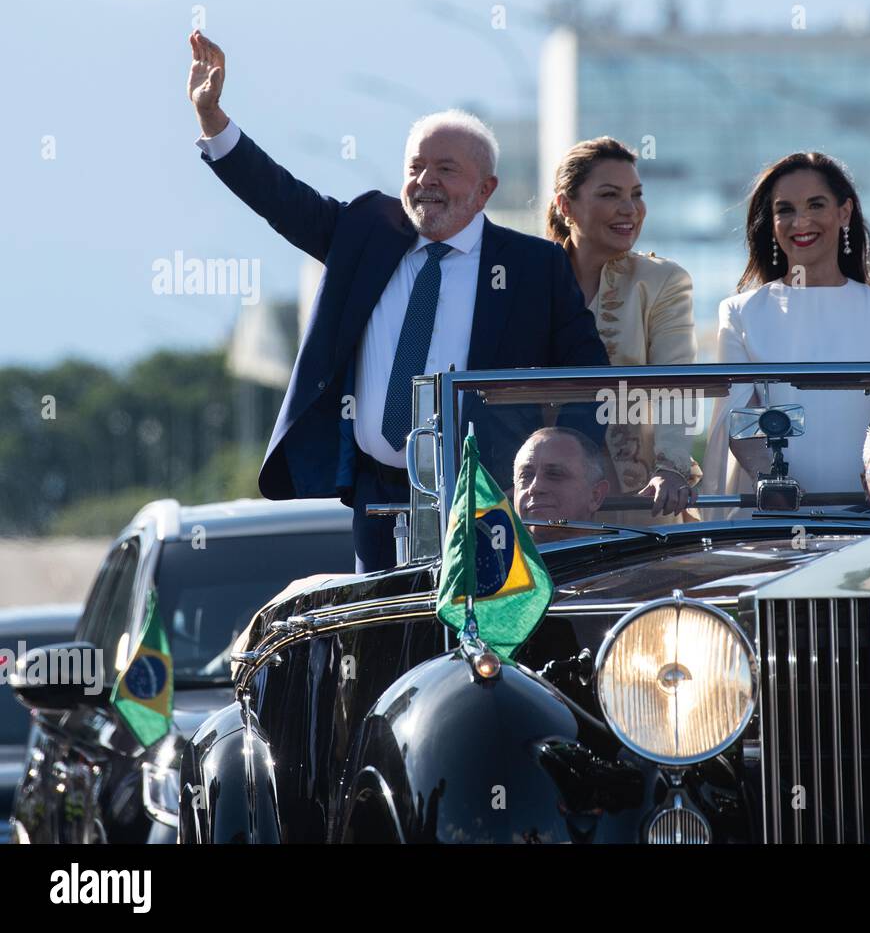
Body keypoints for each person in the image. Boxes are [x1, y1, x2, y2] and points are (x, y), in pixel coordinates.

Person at [186, 32, 608, 573]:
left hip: (489, 499)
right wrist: (213, 118)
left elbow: (586, 374)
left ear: (485, 189)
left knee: (477, 646)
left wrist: (567, 479)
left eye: (446, 170)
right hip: (378, 498)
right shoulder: (368, 232)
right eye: (414, 167)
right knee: (385, 641)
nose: (425, 181)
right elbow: (281, 199)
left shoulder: (532, 267)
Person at [703, 152, 870, 497]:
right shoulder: (740, 312)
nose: (800, 222)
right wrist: (779, 489)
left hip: (866, 513)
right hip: (773, 515)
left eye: (815, 205)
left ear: (844, 212)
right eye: (785, 210)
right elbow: (739, 423)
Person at [547, 137, 699, 517]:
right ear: (566, 206)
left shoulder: (662, 280)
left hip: (640, 497)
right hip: (542, 498)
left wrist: (671, 467)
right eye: (610, 194)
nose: (629, 209)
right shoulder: (531, 277)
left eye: (636, 194)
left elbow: (675, 382)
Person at [512, 428, 610, 544]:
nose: (535, 487)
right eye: (526, 476)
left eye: (554, 474)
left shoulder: (629, 560)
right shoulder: (496, 559)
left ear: (595, 496)